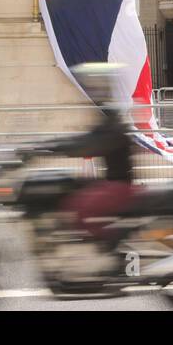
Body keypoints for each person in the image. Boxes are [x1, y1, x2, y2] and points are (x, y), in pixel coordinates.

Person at [44, 63, 136, 242]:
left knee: (79, 206)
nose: (91, 88)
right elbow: (86, 139)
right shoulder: (107, 117)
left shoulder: (112, 120)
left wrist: (51, 148)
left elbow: (88, 144)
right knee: (67, 185)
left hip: (119, 187)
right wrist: (46, 146)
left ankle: (106, 246)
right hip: (111, 183)